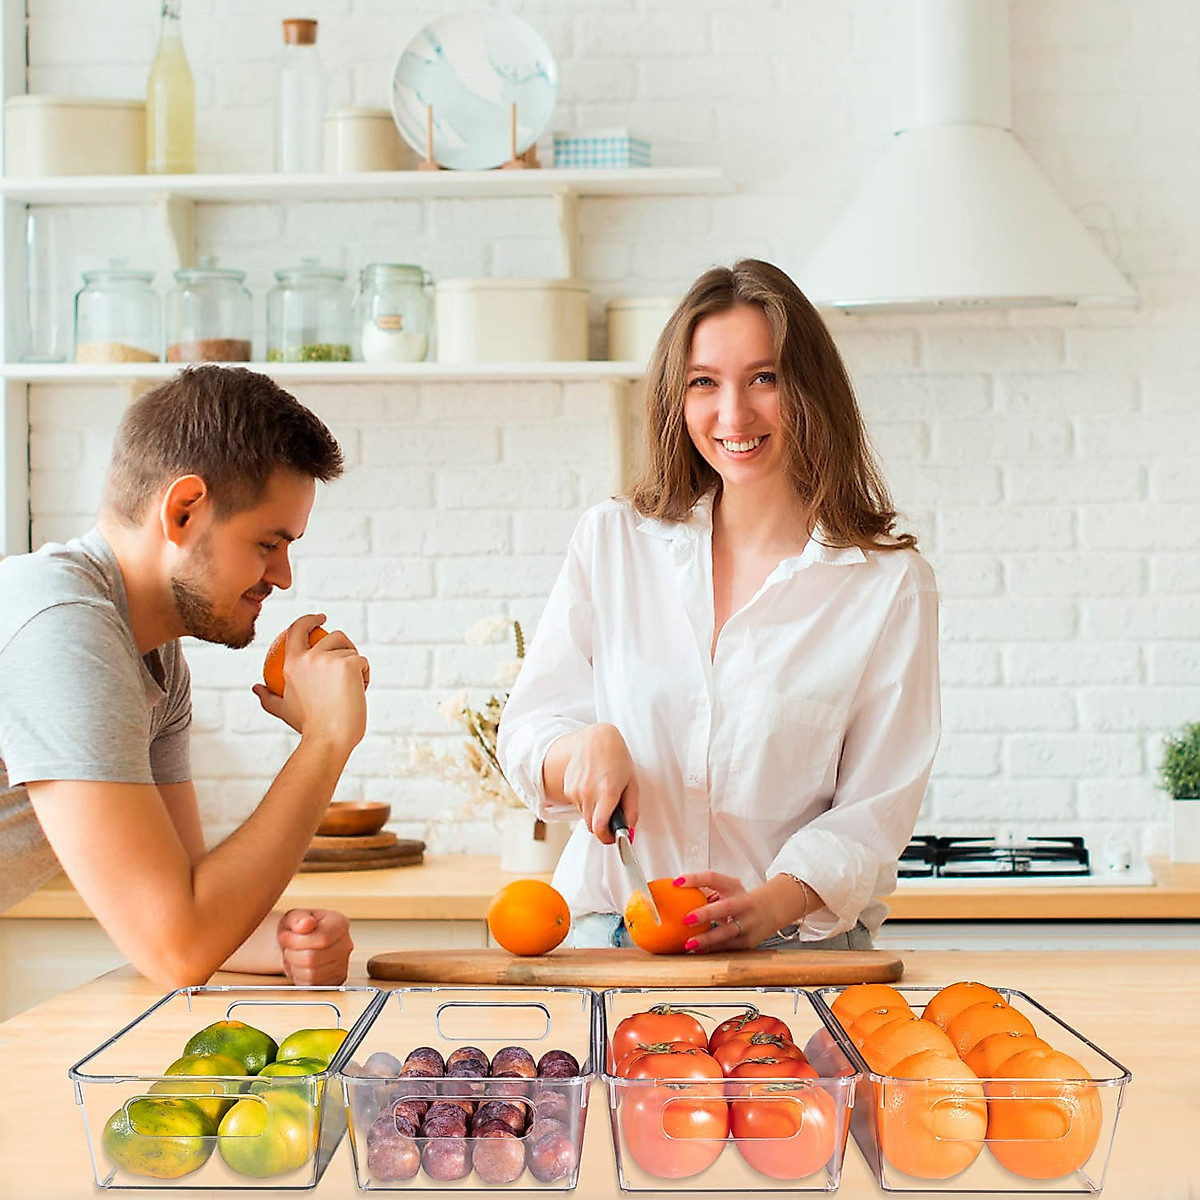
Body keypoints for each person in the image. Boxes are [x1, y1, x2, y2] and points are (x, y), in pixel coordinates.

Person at [498, 259, 940, 952]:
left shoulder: (887, 585)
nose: (733, 415)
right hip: (611, 941)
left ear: (812, 390)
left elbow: (876, 808)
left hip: (792, 952)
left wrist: (770, 905)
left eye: (765, 378)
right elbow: (527, 730)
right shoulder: (614, 541)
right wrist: (579, 748)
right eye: (704, 382)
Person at [0, 366, 369, 987]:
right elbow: (177, 947)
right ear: (184, 511)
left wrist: (281, 944)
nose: (284, 577)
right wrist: (327, 739)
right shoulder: (61, 626)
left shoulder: (155, 657)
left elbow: (186, 899)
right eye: (268, 544)